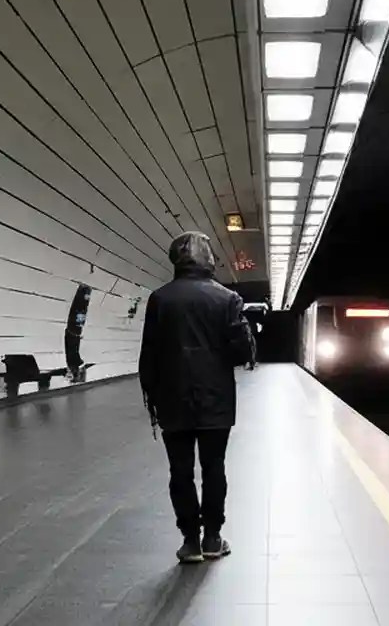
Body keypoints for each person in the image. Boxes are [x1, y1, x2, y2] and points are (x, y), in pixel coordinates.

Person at [139, 232, 255, 563]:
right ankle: (213, 538)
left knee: (180, 470)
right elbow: (243, 351)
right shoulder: (227, 298)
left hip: (172, 398)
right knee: (213, 467)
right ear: (208, 259)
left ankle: (190, 541)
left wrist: (153, 397)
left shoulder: (159, 299)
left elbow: (149, 353)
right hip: (216, 399)